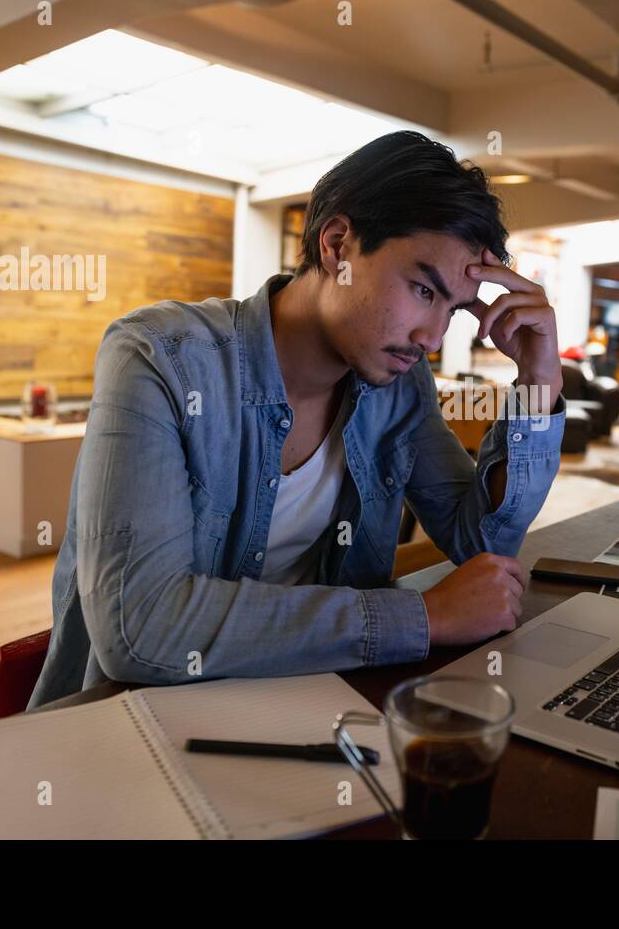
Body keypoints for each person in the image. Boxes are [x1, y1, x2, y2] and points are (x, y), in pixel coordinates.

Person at [28, 131, 565, 708]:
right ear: (337, 247)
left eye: (453, 310)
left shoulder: (399, 389)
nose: (432, 339)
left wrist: (540, 382)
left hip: (311, 704)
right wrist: (422, 617)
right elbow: (142, 630)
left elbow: (482, 541)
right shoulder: (160, 359)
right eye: (421, 290)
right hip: (131, 722)